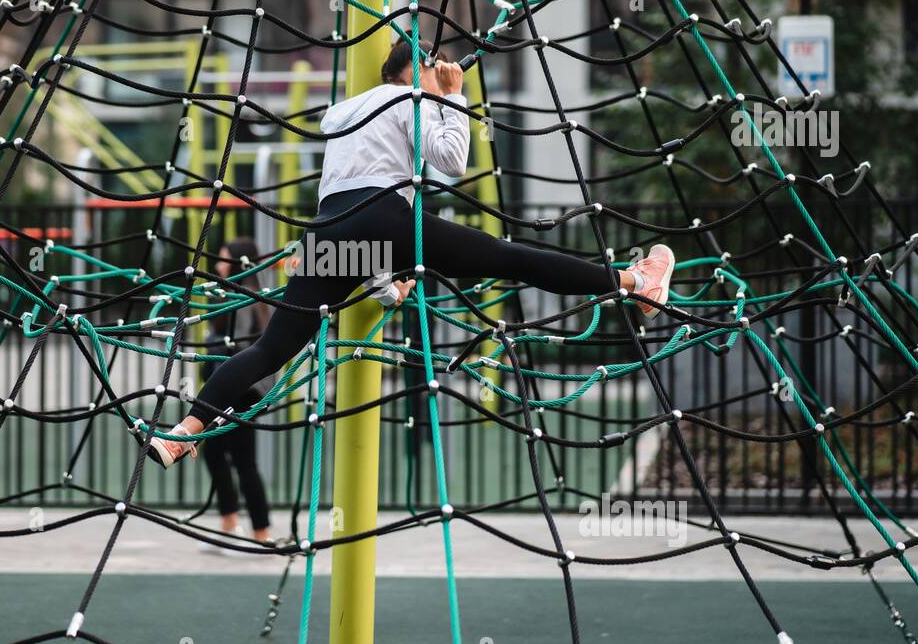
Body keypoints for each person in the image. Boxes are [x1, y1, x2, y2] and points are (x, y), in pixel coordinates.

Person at [142, 40, 676, 467]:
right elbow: (451, 160)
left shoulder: (348, 114)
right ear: (415, 71)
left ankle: (184, 432)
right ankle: (634, 282)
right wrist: (452, 98)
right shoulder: (409, 99)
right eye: (430, 69)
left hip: (329, 229)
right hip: (385, 216)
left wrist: (383, 285)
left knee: (270, 349)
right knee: (514, 259)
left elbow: (357, 223)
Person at [194, 238, 273, 545]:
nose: (218, 264)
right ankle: (233, 525)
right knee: (220, 453)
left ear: (238, 262)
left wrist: (214, 367)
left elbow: (238, 349)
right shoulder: (247, 293)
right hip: (243, 387)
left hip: (241, 388)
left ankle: (260, 533)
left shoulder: (243, 297)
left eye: (223, 258)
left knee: (240, 459)